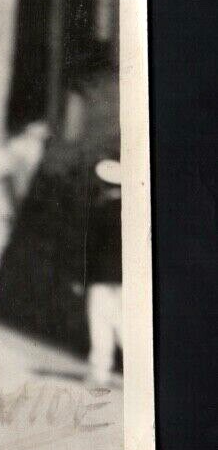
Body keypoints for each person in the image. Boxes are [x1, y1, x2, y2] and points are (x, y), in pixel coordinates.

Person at [85, 157, 123, 386]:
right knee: (122, 322)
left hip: (101, 276)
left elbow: (91, 248)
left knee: (101, 324)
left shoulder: (100, 210)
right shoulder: (133, 208)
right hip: (125, 277)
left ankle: (100, 372)